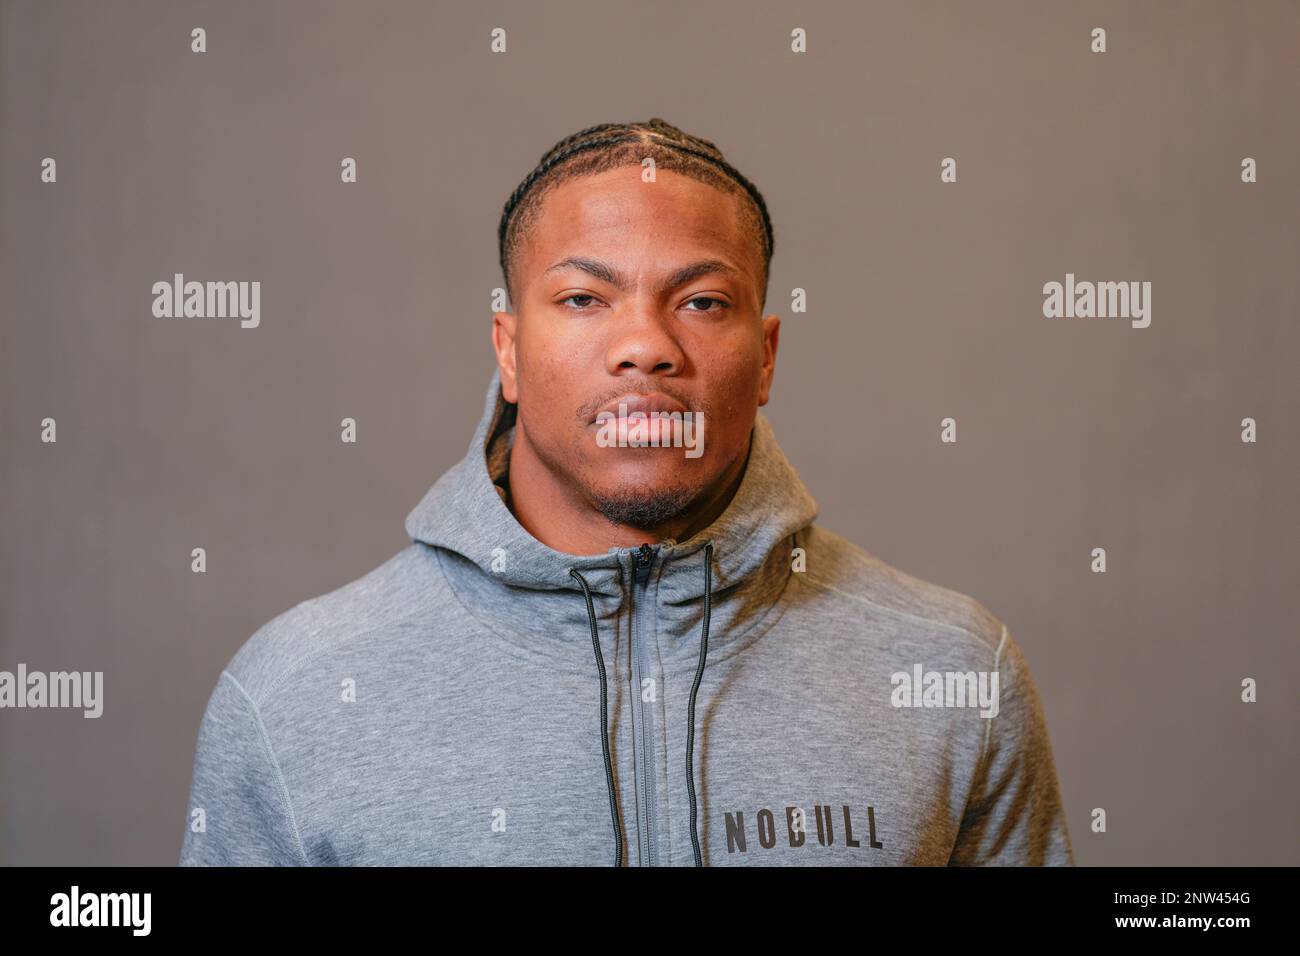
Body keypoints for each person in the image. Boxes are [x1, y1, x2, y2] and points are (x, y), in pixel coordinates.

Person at [179, 118, 1074, 866]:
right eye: (582, 299)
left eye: (701, 302)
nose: (645, 345)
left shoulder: (952, 672)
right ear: (508, 349)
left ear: (765, 358)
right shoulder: (298, 692)